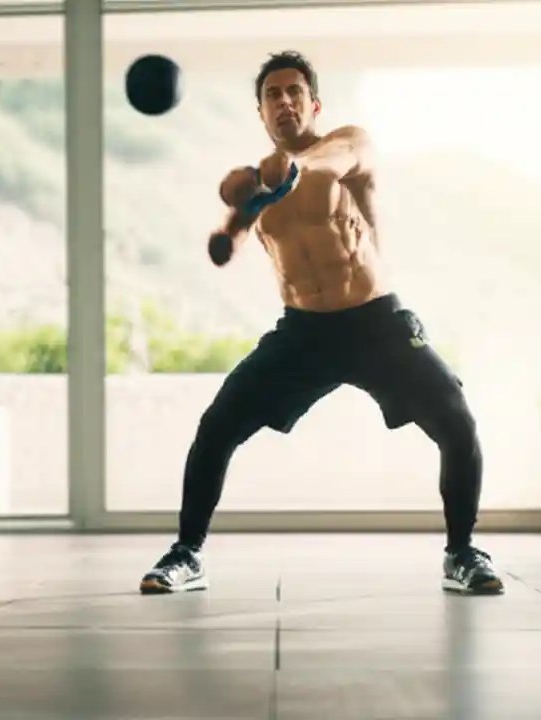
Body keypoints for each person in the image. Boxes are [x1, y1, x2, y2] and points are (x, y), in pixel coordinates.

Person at [139, 51, 504, 596]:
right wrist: (230, 228)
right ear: (260, 114)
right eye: (272, 95)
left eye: (293, 92)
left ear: (313, 103)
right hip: (304, 333)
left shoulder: (346, 146)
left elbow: (324, 162)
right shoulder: (261, 186)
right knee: (217, 427)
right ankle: (186, 553)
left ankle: (462, 552)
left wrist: (284, 174)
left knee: (456, 419)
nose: (284, 101)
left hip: (376, 322)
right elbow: (230, 237)